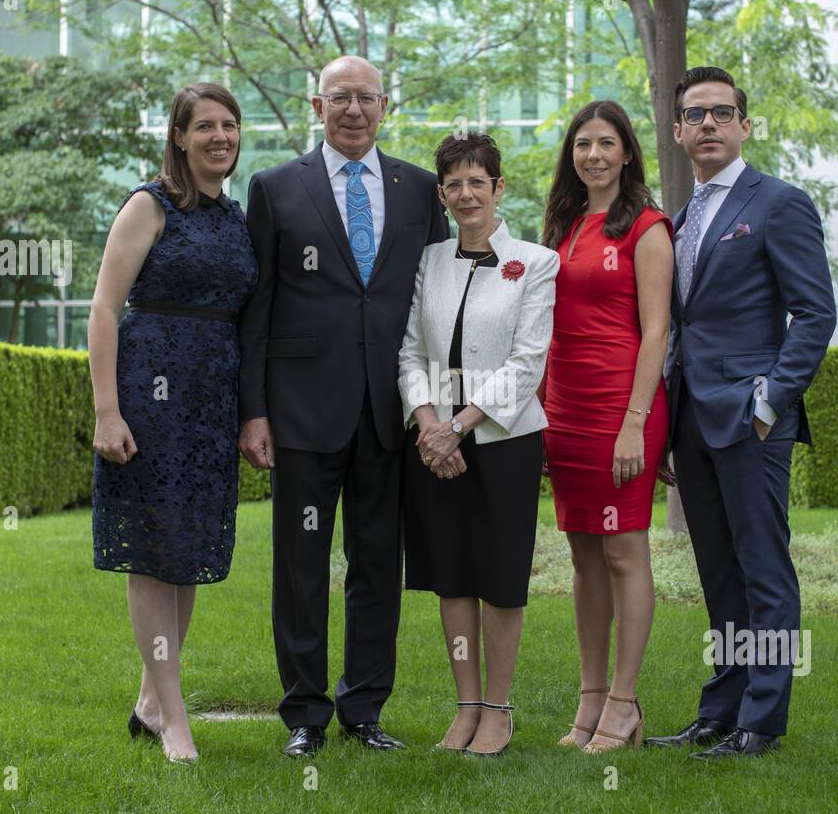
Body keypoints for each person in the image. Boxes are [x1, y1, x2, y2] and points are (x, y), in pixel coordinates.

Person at [238, 56, 449, 758]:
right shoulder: (274, 188)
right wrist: (255, 411)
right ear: (316, 105)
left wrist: (440, 405)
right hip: (301, 415)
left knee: (376, 564)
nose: (353, 110)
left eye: (365, 98)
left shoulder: (420, 190)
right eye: (340, 98)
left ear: (384, 106)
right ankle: (304, 712)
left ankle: (364, 708)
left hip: (389, 414)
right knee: (300, 564)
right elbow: (258, 307)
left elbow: (437, 304)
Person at [645, 66, 836, 759]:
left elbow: (815, 313)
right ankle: (719, 709)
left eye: (721, 113)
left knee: (763, 568)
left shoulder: (779, 202)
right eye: (694, 115)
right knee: (719, 573)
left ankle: (762, 719)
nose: (708, 125)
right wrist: (666, 426)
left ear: (745, 125)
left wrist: (769, 401)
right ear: (677, 131)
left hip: (751, 421)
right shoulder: (684, 215)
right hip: (693, 419)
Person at [90, 83, 259, 765]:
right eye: (206, 126)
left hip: (210, 400)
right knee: (155, 555)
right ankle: (175, 717)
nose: (221, 136)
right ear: (180, 137)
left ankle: (150, 701)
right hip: (148, 397)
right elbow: (104, 308)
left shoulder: (235, 217)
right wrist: (107, 409)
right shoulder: (147, 204)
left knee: (185, 552)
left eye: (230, 125)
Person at [398, 133, 557, 756]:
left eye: (477, 183)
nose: (467, 194)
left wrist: (459, 425)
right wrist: (429, 422)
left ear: (499, 189)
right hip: (434, 441)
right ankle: (465, 706)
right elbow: (410, 349)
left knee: (500, 575)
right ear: (442, 195)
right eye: (455, 185)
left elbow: (527, 362)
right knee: (452, 576)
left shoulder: (537, 262)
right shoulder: (427, 260)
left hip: (504, 440)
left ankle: (498, 708)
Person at [541, 101, 674, 754]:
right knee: (583, 555)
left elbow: (657, 332)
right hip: (564, 409)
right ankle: (590, 700)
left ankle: (625, 705)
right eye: (583, 144)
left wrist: (633, 424)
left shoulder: (646, 227)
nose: (593, 154)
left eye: (606, 143)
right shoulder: (562, 225)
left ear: (627, 152)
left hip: (623, 409)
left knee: (624, 551)